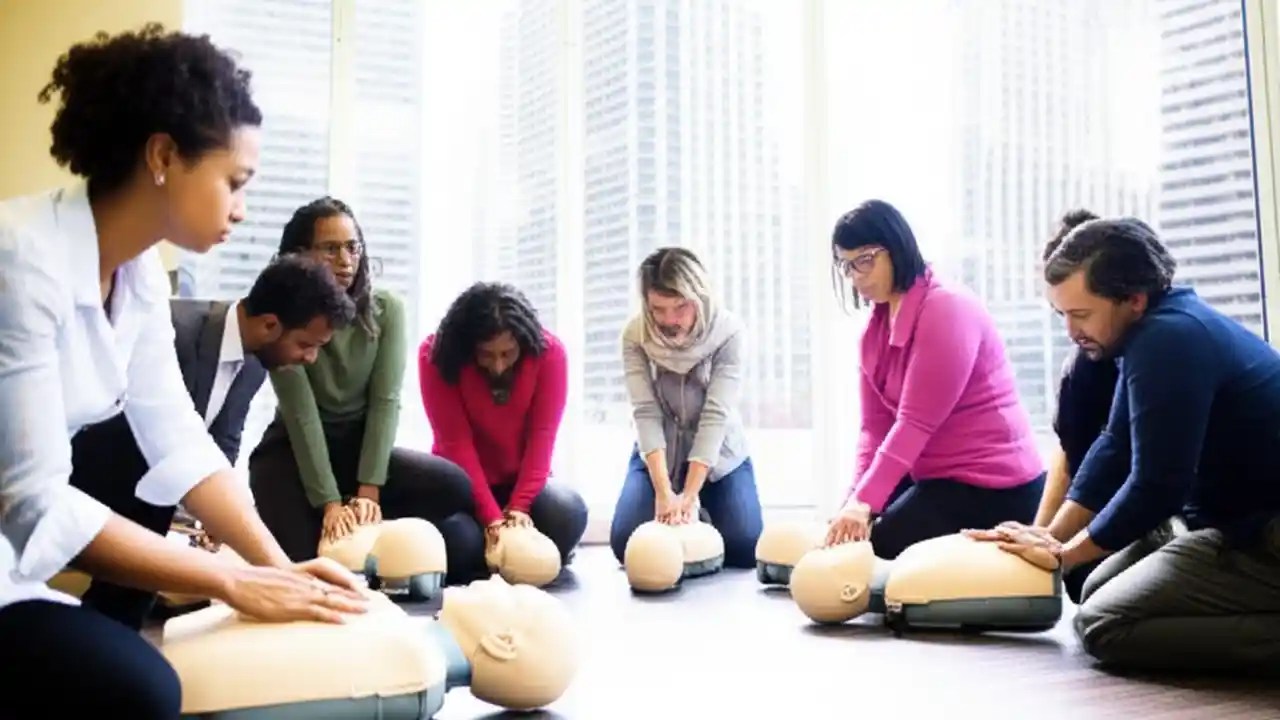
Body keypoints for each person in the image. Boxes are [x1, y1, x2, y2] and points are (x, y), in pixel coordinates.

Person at [0, 25, 365, 719]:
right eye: (234, 181)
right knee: (141, 690)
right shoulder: (21, 260)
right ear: (164, 155)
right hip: (14, 545)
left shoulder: (137, 277)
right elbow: (35, 501)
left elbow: (179, 442)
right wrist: (230, 580)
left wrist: (275, 567)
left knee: (141, 683)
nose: (242, 206)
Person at [968, 217, 1280, 676]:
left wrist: (1063, 555)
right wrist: (1052, 538)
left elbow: (1158, 486)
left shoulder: (1170, 338)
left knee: (1102, 624)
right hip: (1240, 525)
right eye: (1063, 316)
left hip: (1266, 534)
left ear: (1133, 300)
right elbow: (1115, 446)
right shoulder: (1154, 331)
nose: (1071, 331)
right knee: (1094, 588)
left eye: (1081, 314)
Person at [69, 254, 358, 628]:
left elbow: (222, 442)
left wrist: (216, 518)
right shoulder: (175, 329)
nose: (311, 358)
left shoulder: (256, 362)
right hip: (91, 477)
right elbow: (129, 436)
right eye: (306, 344)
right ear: (271, 324)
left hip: (158, 487)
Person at [249, 197, 473, 563]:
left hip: (360, 453)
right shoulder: (282, 315)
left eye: (353, 247)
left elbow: (386, 400)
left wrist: (369, 490)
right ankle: (323, 520)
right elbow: (302, 415)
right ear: (300, 254)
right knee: (306, 560)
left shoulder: (389, 310)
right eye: (331, 248)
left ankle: (366, 525)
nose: (345, 259)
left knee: (455, 488)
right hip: (292, 451)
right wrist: (329, 503)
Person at [824, 199, 1045, 560]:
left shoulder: (947, 309)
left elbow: (914, 422)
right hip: (934, 476)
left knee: (880, 545)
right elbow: (874, 428)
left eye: (865, 260)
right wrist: (854, 499)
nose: (856, 276)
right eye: (847, 266)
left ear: (897, 248)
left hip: (993, 485)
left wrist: (866, 502)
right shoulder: (874, 331)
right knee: (850, 537)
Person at [419, 282, 588, 582]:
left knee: (567, 515)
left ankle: (505, 556)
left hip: (522, 485)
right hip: (464, 488)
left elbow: (543, 436)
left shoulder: (550, 354)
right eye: (485, 355)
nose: (497, 366)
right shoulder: (436, 357)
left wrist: (519, 508)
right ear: (466, 347)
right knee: (458, 546)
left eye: (507, 354)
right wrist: (493, 520)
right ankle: (496, 554)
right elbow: (456, 445)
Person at [609, 247, 763, 569]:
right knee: (627, 543)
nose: (668, 320)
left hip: (718, 452)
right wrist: (664, 492)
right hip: (659, 451)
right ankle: (686, 513)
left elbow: (715, 416)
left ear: (699, 296)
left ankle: (699, 511)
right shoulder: (634, 336)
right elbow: (645, 413)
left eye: (680, 308)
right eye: (658, 309)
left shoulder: (728, 332)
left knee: (745, 546)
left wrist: (690, 494)